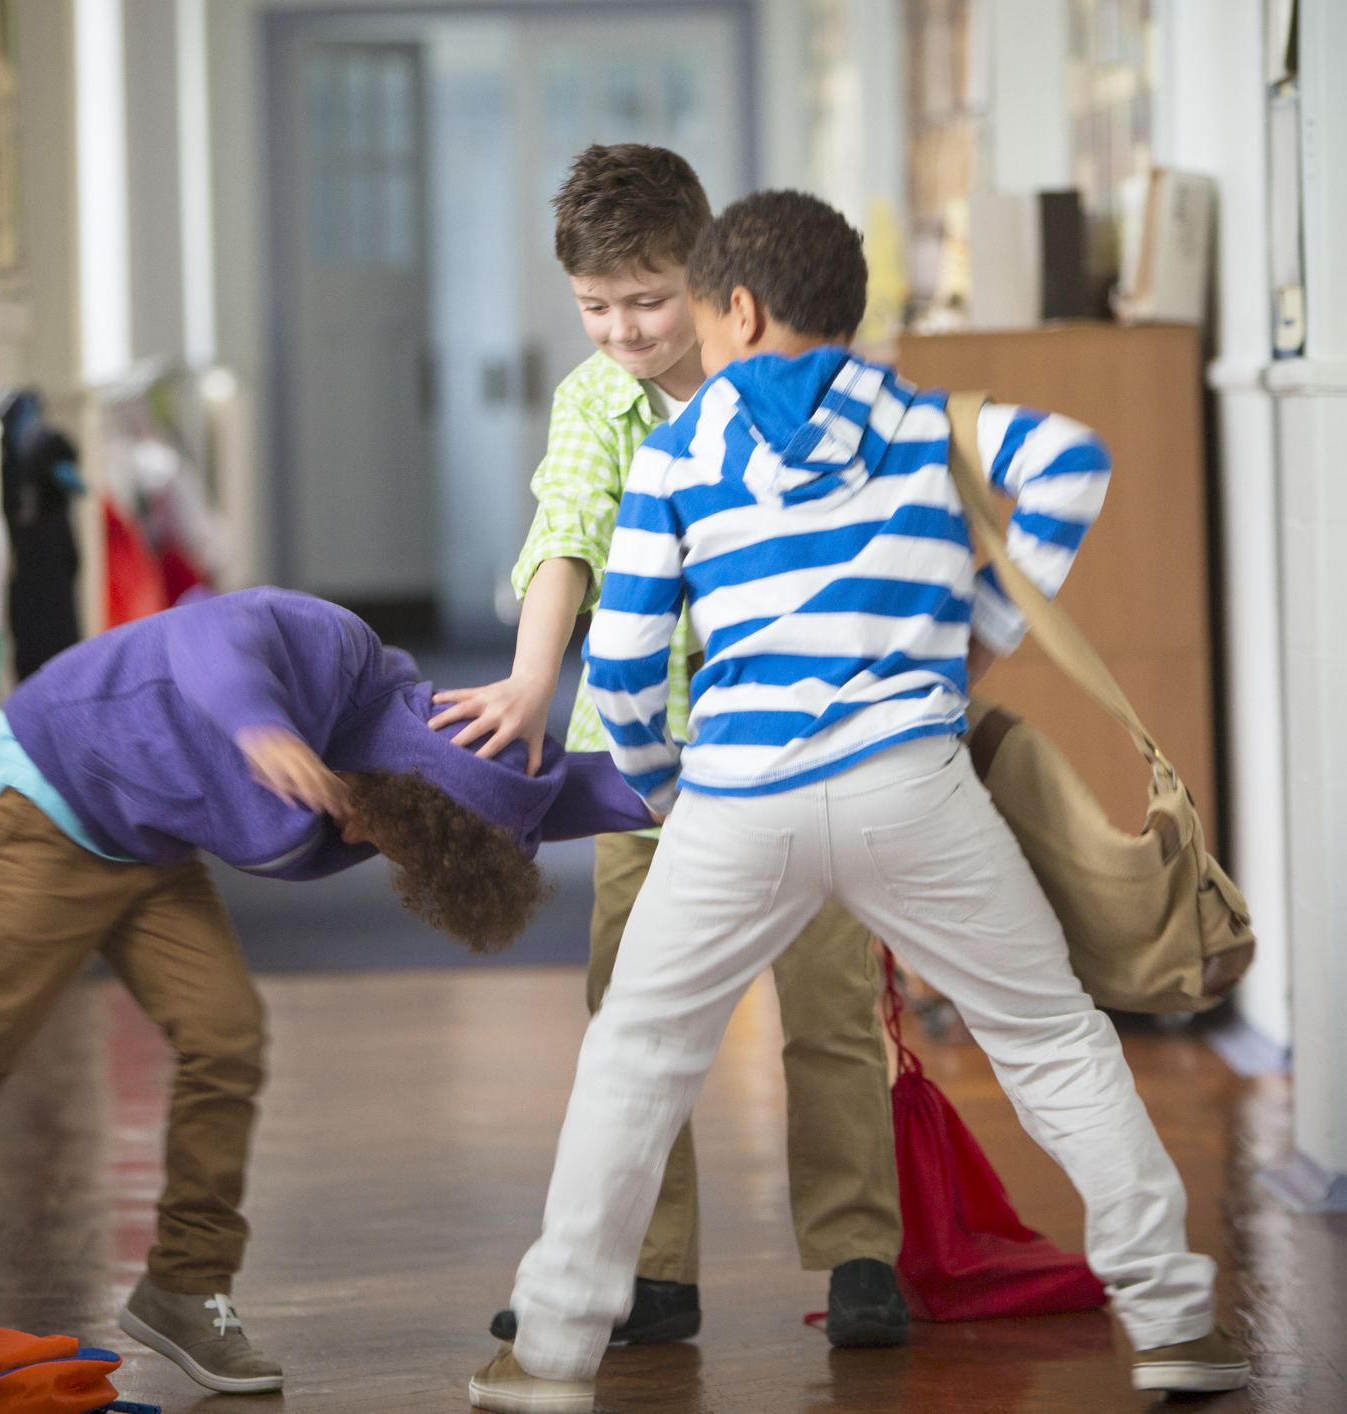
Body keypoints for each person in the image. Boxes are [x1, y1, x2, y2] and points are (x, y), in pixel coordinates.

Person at [468, 192, 1251, 1414]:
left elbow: (623, 666)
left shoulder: (683, 449)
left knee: (638, 1055)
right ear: (849, 307)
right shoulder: (921, 418)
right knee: (1048, 1039)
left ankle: (554, 1353)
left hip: (735, 795)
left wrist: (672, 789)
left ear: (738, 308)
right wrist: (976, 638)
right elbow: (1072, 463)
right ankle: (1176, 1319)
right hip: (914, 789)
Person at [0, 587, 654, 1397]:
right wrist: (259, 725)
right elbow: (208, 635)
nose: (370, 842)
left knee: (226, 1037)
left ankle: (184, 1286)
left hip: (143, 846)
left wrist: (712, 781)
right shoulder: (333, 650)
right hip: (42, 797)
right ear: (413, 781)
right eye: (391, 828)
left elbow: (577, 791)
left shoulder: (450, 800)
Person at [434, 143, 908, 1350]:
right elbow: (566, 534)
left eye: (647, 301)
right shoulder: (593, 401)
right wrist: (539, 675)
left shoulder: (792, 376)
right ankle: (650, 1272)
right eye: (595, 308)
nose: (625, 331)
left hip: (807, 747)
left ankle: (860, 1254)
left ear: (708, 281)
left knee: (829, 1003)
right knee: (632, 1014)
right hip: (639, 762)